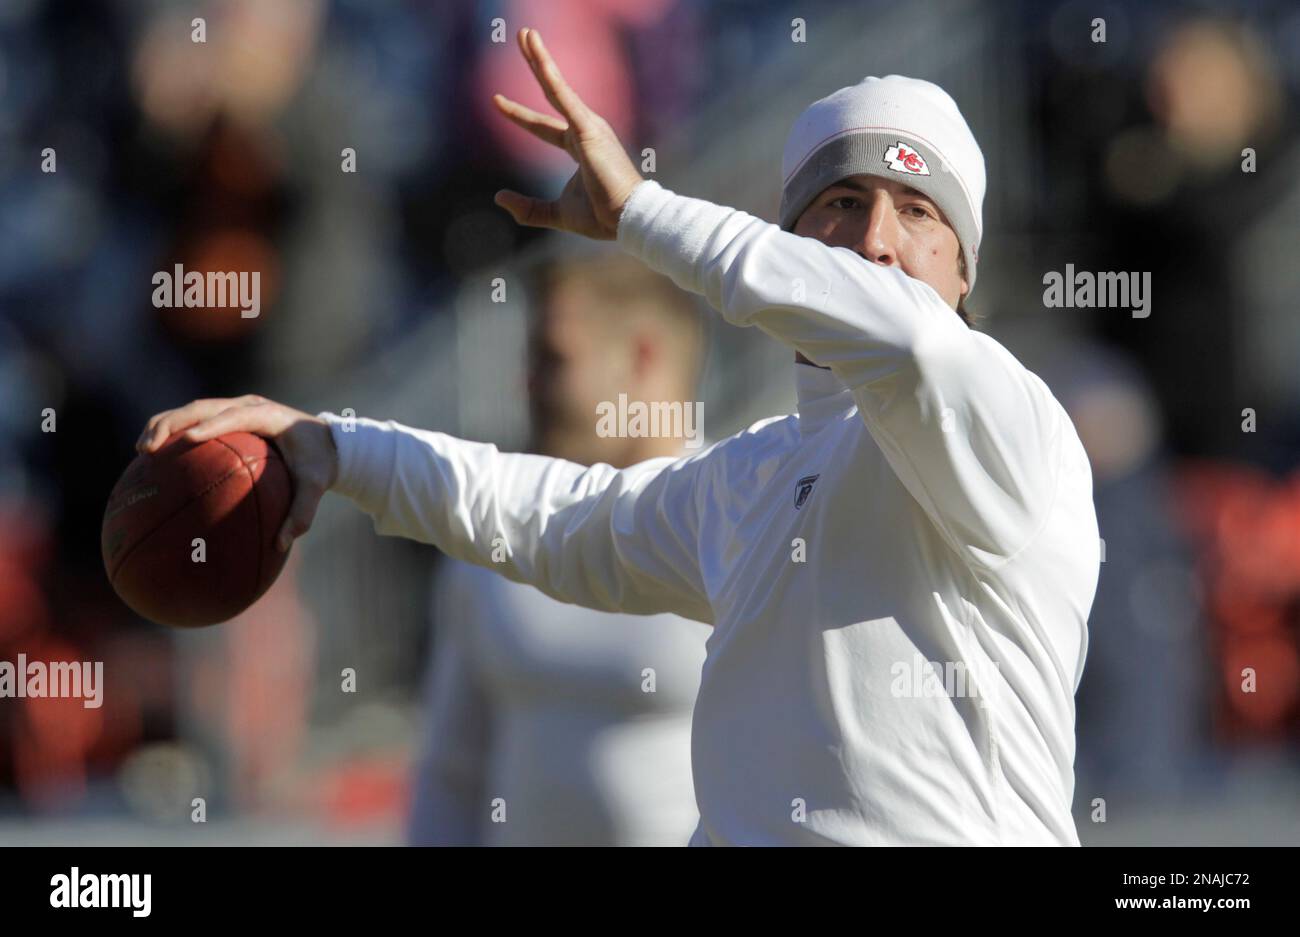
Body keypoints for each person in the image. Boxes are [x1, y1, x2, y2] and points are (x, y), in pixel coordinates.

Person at [137, 28, 1100, 845]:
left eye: (919, 212)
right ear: (791, 236)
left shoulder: (1016, 427)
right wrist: (336, 448)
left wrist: (642, 214)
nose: (879, 239)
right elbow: (563, 515)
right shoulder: (758, 475)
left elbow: (912, 344)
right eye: (841, 203)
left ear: (965, 270)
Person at [407, 254, 710, 846]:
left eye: (553, 359)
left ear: (644, 356)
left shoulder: (739, 521)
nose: (528, 385)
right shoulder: (495, 522)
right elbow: (451, 770)